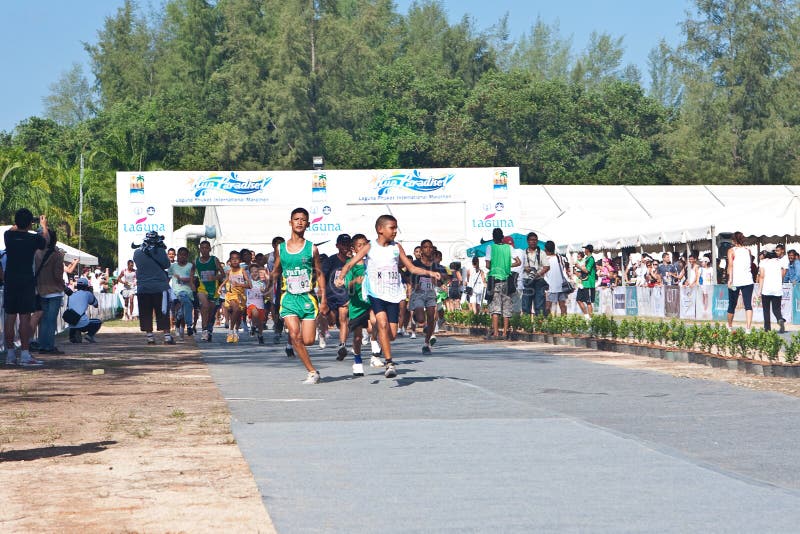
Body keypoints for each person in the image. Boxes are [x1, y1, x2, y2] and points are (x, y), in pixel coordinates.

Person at [336, 214, 439, 379]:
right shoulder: (370, 247)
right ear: (380, 229)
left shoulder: (396, 247)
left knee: (391, 333)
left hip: (393, 294)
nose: (395, 231)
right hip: (376, 294)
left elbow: (411, 268)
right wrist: (341, 278)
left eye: (396, 228)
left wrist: (429, 272)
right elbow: (350, 263)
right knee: (381, 323)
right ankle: (389, 363)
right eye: (392, 228)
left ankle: (381, 345)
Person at [271, 208, 328, 384]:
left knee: (308, 340)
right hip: (288, 298)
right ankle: (312, 371)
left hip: (307, 298)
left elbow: (319, 274)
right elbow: (276, 271)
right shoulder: (281, 248)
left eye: (303, 219)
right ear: (290, 222)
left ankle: (315, 332)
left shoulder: (312, 249)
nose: (299, 222)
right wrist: (269, 279)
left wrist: (323, 297)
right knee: (295, 335)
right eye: (296, 219)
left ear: (308, 224)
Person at [4, 209, 49, 367]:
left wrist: (19, 224)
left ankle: (10, 354)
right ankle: (24, 353)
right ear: (31, 223)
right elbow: (45, 242)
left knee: (9, 317)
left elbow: (12, 229)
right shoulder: (33, 238)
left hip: (10, 279)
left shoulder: (8, 236)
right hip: (26, 280)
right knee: (24, 317)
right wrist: (43, 226)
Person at [133, 231, 174, 345]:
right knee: (163, 312)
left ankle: (150, 337)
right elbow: (166, 264)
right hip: (159, 287)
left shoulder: (137, 252)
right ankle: (167, 336)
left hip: (143, 287)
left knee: (145, 313)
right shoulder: (159, 251)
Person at [343, 234, 375, 376]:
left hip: (371, 301)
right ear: (354, 248)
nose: (362, 247)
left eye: (365, 244)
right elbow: (347, 287)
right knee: (357, 337)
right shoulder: (350, 264)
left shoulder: (372, 261)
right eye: (359, 245)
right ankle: (357, 360)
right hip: (356, 304)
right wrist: (355, 281)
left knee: (374, 323)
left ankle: (375, 348)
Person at [409, 239, 448, 354]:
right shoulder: (415, 264)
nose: (428, 249)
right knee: (421, 319)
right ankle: (416, 317)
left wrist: (442, 284)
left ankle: (426, 344)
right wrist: (413, 284)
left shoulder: (435, 265)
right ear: (421, 250)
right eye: (425, 247)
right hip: (419, 293)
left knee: (432, 317)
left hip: (430, 293)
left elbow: (441, 278)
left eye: (430, 247)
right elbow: (408, 275)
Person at [34, 228, 66, 354]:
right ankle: (49, 346)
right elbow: (58, 275)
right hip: (54, 290)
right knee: (51, 320)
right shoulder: (57, 255)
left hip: (42, 289)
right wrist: (62, 284)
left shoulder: (37, 253)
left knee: (43, 320)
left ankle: (42, 345)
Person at [484, 228, 521, 339]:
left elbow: (487, 265)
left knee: (495, 308)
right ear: (502, 237)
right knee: (506, 307)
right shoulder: (509, 247)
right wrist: (507, 266)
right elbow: (518, 262)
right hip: (507, 281)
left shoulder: (490, 247)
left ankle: (495, 333)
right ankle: (505, 333)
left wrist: (497, 266)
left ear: (493, 237)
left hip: (495, 280)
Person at [320, 233, 352, 357]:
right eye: (343, 244)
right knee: (332, 320)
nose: (346, 247)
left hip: (346, 295)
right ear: (337, 245)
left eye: (348, 244)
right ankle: (323, 331)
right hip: (331, 295)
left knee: (343, 318)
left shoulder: (352, 261)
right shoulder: (331, 260)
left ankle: (342, 345)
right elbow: (322, 275)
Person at [195, 240, 225, 342]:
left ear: (209, 249)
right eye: (202, 248)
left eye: (206, 248)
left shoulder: (214, 260)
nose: (204, 250)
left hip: (213, 289)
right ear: (199, 249)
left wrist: (215, 277)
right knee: (205, 307)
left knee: (211, 313)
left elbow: (223, 274)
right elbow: (191, 275)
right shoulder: (196, 261)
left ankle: (209, 329)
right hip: (202, 289)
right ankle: (204, 331)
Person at [726, 231, 754, 333]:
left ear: (733, 240)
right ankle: (748, 328)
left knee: (732, 304)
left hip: (735, 281)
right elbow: (749, 264)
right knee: (748, 305)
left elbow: (730, 265)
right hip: (748, 280)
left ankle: (729, 326)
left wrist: (729, 280)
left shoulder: (731, 251)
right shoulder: (748, 250)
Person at [222, 251, 251, 343]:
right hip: (231, 295)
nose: (235, 261)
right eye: (233, 259)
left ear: (240, 260)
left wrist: (239, 284)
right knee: (235, 308)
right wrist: (220, 287)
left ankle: (236, 329)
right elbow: (226, 280)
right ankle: (231, 331)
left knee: (238, 314)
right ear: (230, 260)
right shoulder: (228, 271)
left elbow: (249, 285)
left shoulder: (242, 271)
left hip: (241, 296)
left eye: (237, 259)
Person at [169, 247, 196, 341]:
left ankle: (178, 323)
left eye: (184, 254)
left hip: (189, 291)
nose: (182, 256)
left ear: (187, 256)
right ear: (177, 255)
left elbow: (194, 278)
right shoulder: (173, 266)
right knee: (185, 301)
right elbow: (167, 279)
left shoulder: (190, 266)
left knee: (182, 312)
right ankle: (189, 326)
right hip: (177, 292)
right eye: (180, 254)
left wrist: (183, 279)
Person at [66, 277, 102, 343]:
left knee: (77, 319)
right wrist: (91, 293)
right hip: (82, 323)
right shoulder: (88, 294)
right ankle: (89, 335)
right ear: (86, 286)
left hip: (71, 322)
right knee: (98, 322)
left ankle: (74, 334)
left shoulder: (71, 294)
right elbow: (95, 305)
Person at [758, 250, 786, 333]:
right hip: (777, 288)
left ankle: (767, 329)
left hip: (766, 288)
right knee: (776, 309)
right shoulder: (780, 262)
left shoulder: (763, 262)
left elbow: (762, 276)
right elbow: (783, 272)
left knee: (766, 310)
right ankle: (780, 319)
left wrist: (760, 289)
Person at [539, 240, 569, 316]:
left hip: (550, 286)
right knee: (562, 306)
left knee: (547, 307)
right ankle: (564, 324)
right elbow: (565, 267)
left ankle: (548, 324)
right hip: (562, 286)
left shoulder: (545, 259)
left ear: (545, 249)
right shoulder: (560, 257)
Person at [521, 232, 547, 316]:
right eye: (531, 240)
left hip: (539, 280)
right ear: (528, 241)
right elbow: (520, 265)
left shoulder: (542, 252)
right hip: (527, 280)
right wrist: (525, 268)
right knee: (526, 304)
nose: (533, 242)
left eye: (535, 240)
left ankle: (539, 326)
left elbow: (546, 267)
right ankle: (527, 326)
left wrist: (537, 274)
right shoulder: (523, 253)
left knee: (540, 305)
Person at [246, 264, 268, 344]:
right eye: (252, 272)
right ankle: (253, 326)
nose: (254, 273)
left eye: (256, 272)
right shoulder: (248, 282)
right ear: (249, 273)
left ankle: (260, 335)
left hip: (260, 304)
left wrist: (263, 291)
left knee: (260, 322)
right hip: (251, 303)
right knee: (255, 312)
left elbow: (265, 293)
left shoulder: (262, 283)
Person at [575, 244, 596, 319]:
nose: (584, 250)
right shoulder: (586, 258)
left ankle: (591, 320)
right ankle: (587, 318)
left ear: (588, 250)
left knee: (588, 302)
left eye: (585, 249)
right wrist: (577, 273)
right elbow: (583, 271)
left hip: (589, 284)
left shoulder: (591, 259)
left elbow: (587, 270)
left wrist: (578, 267)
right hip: (583, 283)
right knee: (578, 300)